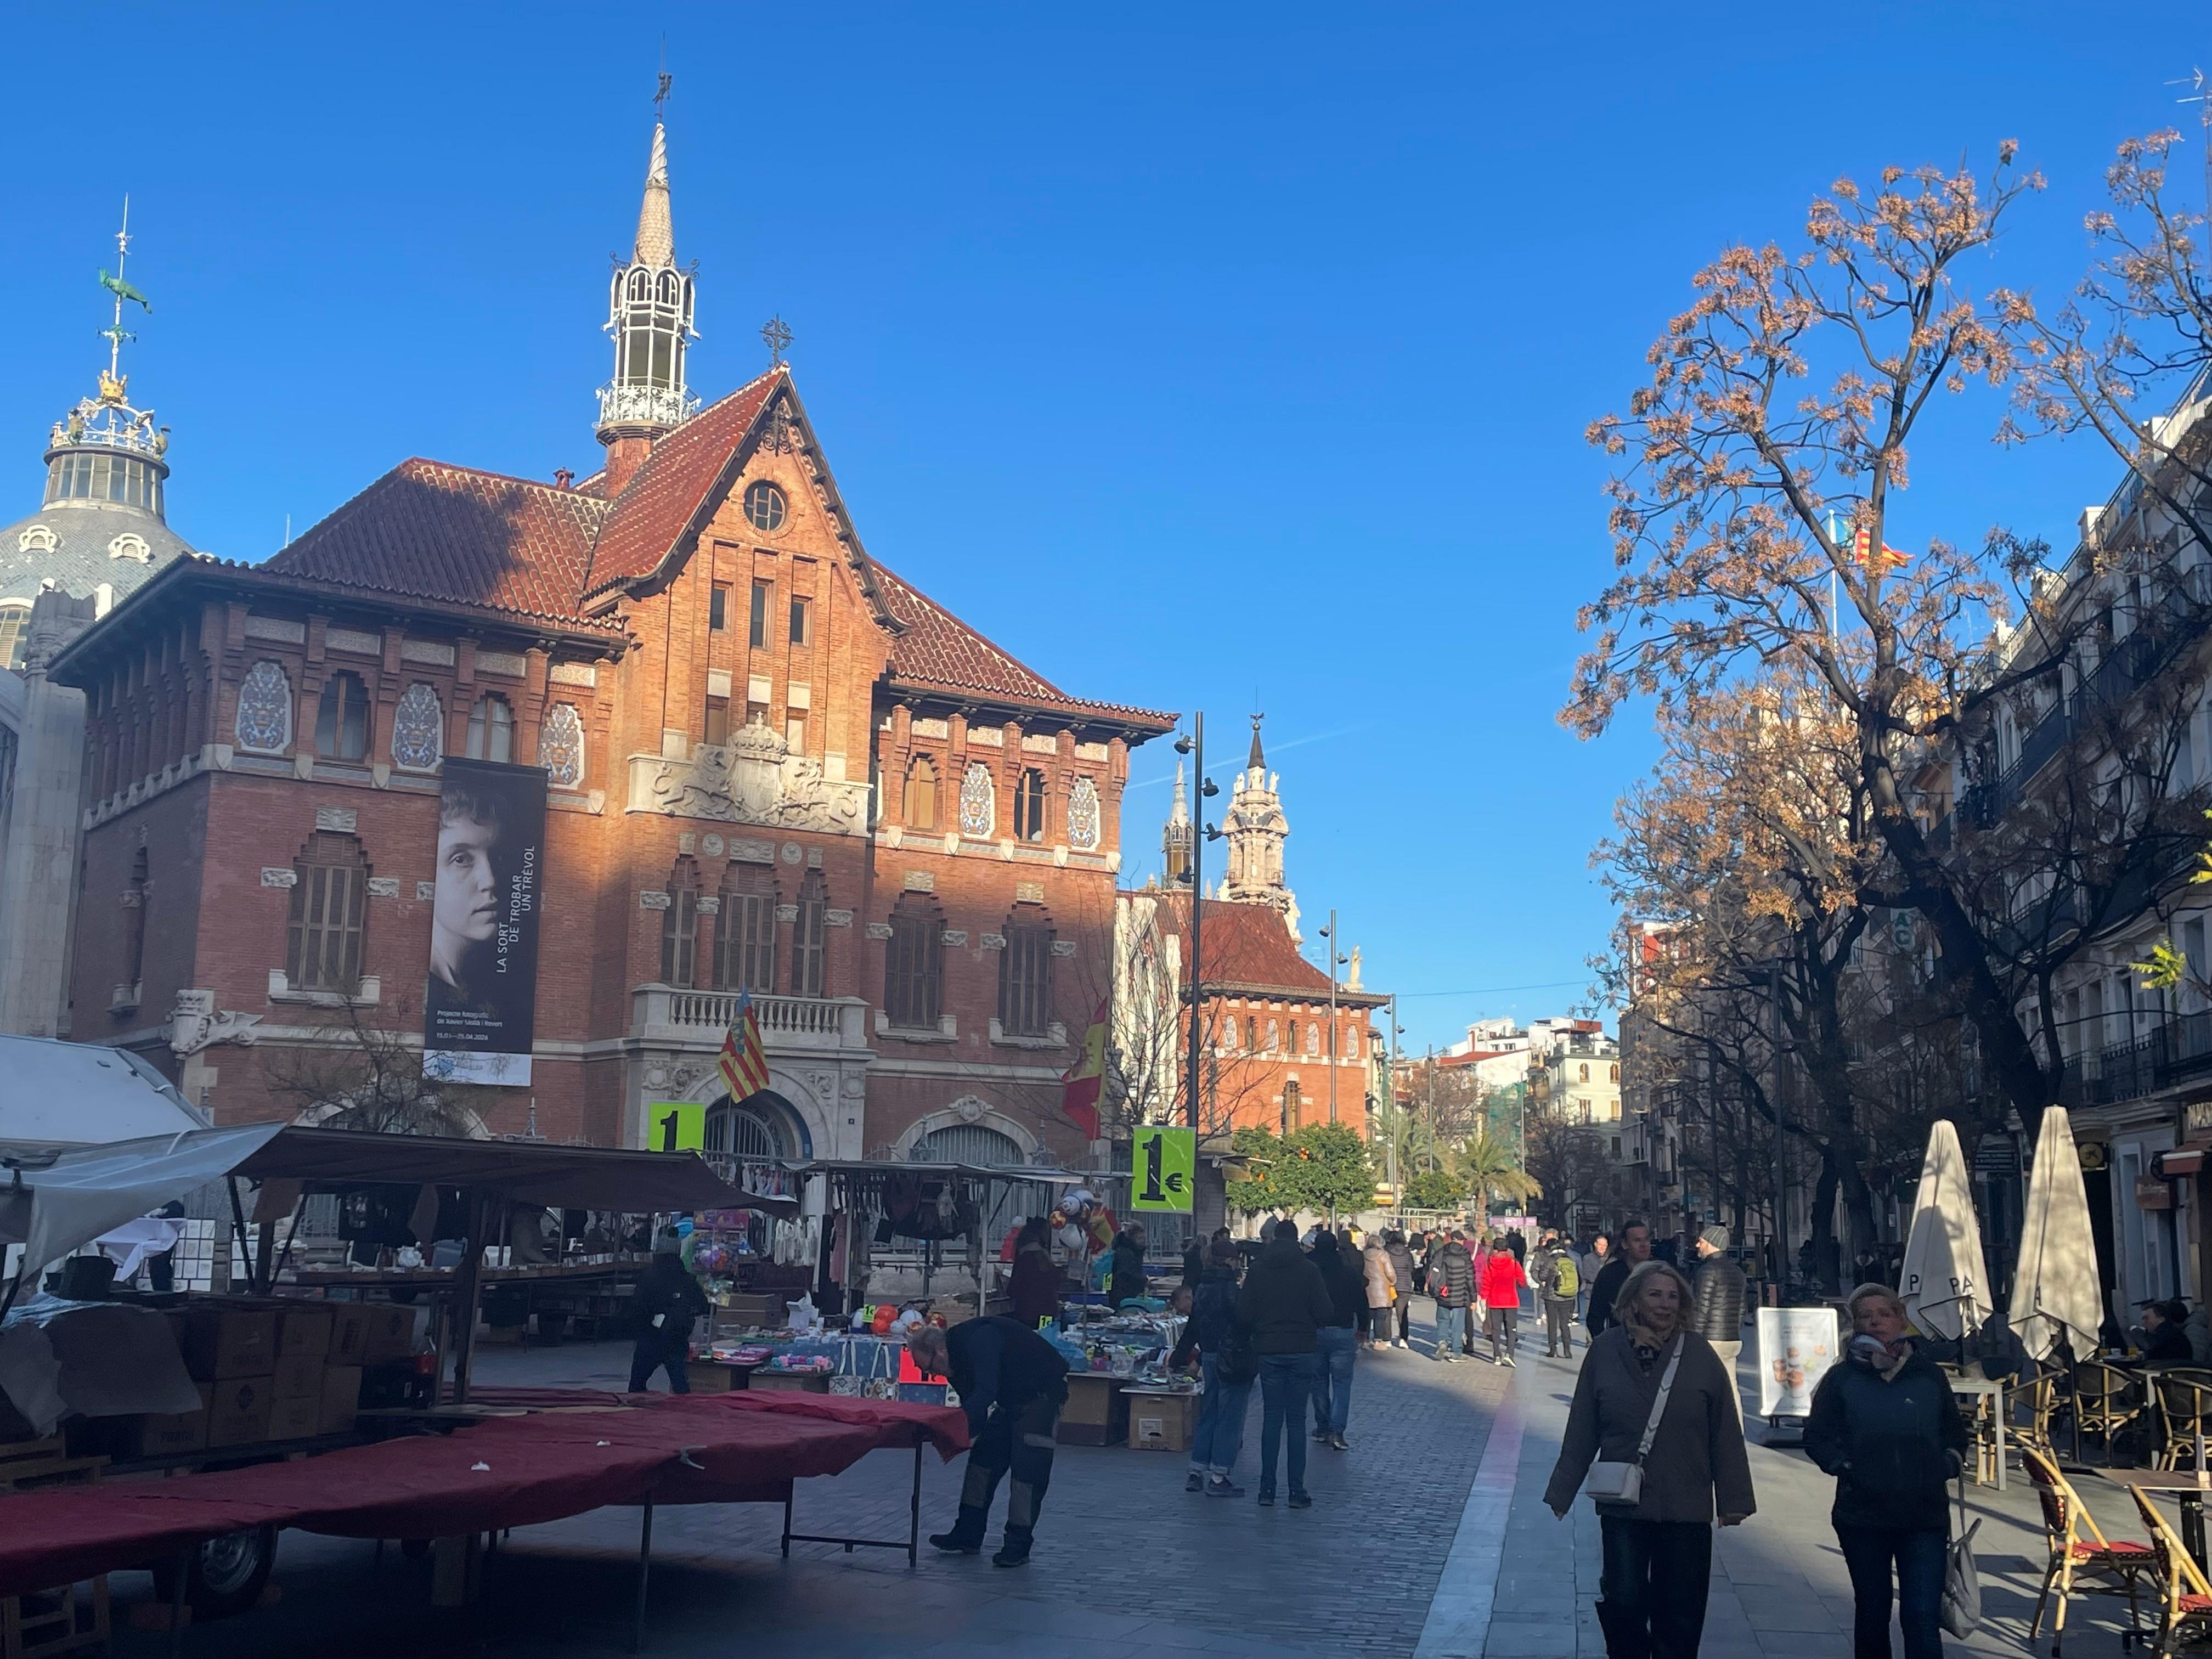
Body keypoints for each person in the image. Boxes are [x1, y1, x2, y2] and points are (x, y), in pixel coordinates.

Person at [1545, 1260, 1756, 1659]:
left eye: (1673, 1296)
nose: (1664, 1304)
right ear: (1635, 1301)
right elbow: (1583, 1427)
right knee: (1623, 1602)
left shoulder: (1700, 1355)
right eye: (1655, 1295)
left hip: (1686, 1504)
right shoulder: (1606, 1351)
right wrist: (1562, 1491)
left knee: (1680, 1611)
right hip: (1624, 1504)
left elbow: (1725, 1431)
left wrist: (1734, 1501)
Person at [1804, 1284, 1970, 1659]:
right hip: (1862, 1515)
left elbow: (1955, 1436)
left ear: (1901, 1320)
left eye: (1885, 1314)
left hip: (1924, 1516)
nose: (1876, 1321)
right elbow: (1816, 1436)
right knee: (1873, 1612)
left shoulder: (1928, 1376)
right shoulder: (1841, 1379)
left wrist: (1944, 1465)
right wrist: (1844, 1467)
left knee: (1922, 1616)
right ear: (1856, 1324)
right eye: (1867, 1315)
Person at [913, 1314, 1070, 1566]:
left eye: (929, 1368)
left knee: (1026, 1475)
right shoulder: (951, 1363)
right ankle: (967, 1534)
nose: (932, 1375)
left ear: (940, 1351)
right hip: (1011, 1399)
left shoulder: (979, 1339)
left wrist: (950, 1426)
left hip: (1043, 1394)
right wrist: (952, 1439)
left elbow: (985, 1392)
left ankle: (1018, 1546)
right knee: (981, 1463)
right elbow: (972, 1407)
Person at [1236, 1217, 1333, 1507]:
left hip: (1269, 1350)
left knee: (1271, 1419)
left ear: (1274, 1238)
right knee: (1297, 1422)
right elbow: (1325, 1312)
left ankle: (1267, 1490)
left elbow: (1243, 1313)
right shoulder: (1309, 1270)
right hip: (1302, 1350)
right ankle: (1296, 1490)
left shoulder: (1259, 1269)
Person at [1171, 1238, 1256, 1496]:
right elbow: (1242, 1323)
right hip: (1231, 1358)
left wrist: (1178, 1357)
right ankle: (1219, 1476)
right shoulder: (1230, 1289)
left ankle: (1196, 1471)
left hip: (1208, 1356)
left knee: (1209, 1413)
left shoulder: (1202, 1287)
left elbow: (1193, 1327)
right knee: (1230, 1417)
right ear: (1229, 1261)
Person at [629, 1227, 711, 1393]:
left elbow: (636, 1308)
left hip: (650, 1338)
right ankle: (685, 1416)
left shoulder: (648, 1278)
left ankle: (634, 1412)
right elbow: (703, 1305)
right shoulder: (686, 1278)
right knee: (680, 1386)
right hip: (676, 1338)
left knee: (637, 1385)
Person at [1308, 1231, 1364, 1449]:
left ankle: (1322, 1426)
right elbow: (1361, 1300)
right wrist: (1362, 1327)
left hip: (1316, 1331)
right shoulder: (1348, 1272)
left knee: (1318, 1381)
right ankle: (1337, 1431)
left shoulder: (1310, 1270)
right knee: (1342, 1384)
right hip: (1343, 1331)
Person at [1689, 1226, 1748, 1420]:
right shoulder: (1737, 1272)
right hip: (1731, 1339)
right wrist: (1733, 1331)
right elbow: (1742, 1309)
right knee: (1731, 1388)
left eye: (1702, 1242)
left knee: (1701, 1387)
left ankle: (1705, 1430)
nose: (1698, 1245)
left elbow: (1701, 1309)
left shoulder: (1708, 1271)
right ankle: (1737, 1431)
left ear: (1712, 1244)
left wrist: (1694, 1339)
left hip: (1710, 1340)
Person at [1586, 1221, 1651, 1341]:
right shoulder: (1610, 1274)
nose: (1644, 1245)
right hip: (1622, 1344)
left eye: (1646, 1240)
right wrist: (1605, 1345)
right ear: (1625, 1244)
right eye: (1637, 1240)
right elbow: (1596, 1316)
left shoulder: (1659, 1271)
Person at [1481, 1232, 1531, 1365]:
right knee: (1511, 1328)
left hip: (1494, 1301)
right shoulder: (1513, 1264)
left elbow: (1486, 1282)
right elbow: (1522, 1281)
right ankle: (1509, 1353)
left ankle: (1497, 1355)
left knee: (1496, 1329)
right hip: (1511, 1300)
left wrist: (1483, 1297)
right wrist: (1522, 1285)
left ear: (1495, 1249)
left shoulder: (1489, 1265)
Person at [1429, 1229, 1476, 1363]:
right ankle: (1456, 1353)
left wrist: (1436, 1290)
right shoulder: (1465, 1254)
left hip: (1443, 1294)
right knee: (1457, 1325)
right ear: (1460, 1241)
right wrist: (1473, 1298)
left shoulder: (1441, 1252)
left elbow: (1433, 1270)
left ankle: (1442, 1341)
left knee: (1443, 1321)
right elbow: (1470, 1278)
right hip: (1460, 1297)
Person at [1533, 1231, 1581, 1358]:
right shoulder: (1570, 1260)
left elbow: (1542, 1276)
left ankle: (1553, 1349)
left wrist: (1548, 1278)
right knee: (1565, 1324)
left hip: (1552, 1297)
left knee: (1552, 1324)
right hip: (1568, 1297)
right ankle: (1567, 1349)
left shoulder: (1550, 1261)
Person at [1009, 1217, 1061, 1328]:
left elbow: (1014, 1287)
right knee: (1044, 1337)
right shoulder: (1042, 1256)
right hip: (1047, 1310)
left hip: (1028, 1313)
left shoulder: (1025, 1257)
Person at [1363, 1233, 1398, 1353]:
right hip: (1382, 1288)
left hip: (1367, 1288)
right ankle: (1378, 1341)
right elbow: (1390, 1272)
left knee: (1367, 1315)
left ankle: (1365, 1339)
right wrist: (1393, 1281)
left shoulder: (1364, 1254)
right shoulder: (1383, 1254)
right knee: (1381, 1316)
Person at [1385, 1229, 1417, 1347]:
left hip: (1390, 1286)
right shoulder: (1407, 1252)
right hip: (1404, 1286)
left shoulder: (1386, 1252)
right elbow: (1412, 1268)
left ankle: (1387, 1338)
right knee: (1402, 1314)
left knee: (1388, 1312)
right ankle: (1403, 1338)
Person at [2139, 1297, 2195, 1365]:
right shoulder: (2176, 1333)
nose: (2143, 1322)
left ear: (2162, 1318)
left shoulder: (2161, 1336)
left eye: (2147, 1318)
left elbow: (2151, 1356)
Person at [1108, 1222, 1148, 1308]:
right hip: (1122, 1293)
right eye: (1139, 1238)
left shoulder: (1135, 1251)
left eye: (1143, 1239)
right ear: (1132, 1239)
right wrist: (1144, 1280)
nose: (1142, 1241)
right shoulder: (1125, 1253)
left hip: (1128, 1292)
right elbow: (1127, 1272)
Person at [1581, 1233, 1610, 1325]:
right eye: (1600, 1245)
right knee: (1592, 1320)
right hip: (1591, 1293)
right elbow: (1588, 1275)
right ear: (1595, 1245)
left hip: (1608, 1294)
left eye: (1604, 1245)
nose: (1602, 1247)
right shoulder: (1588, 1258)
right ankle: (1590, 1340)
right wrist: (1605, 1277)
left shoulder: (1611, 1259)